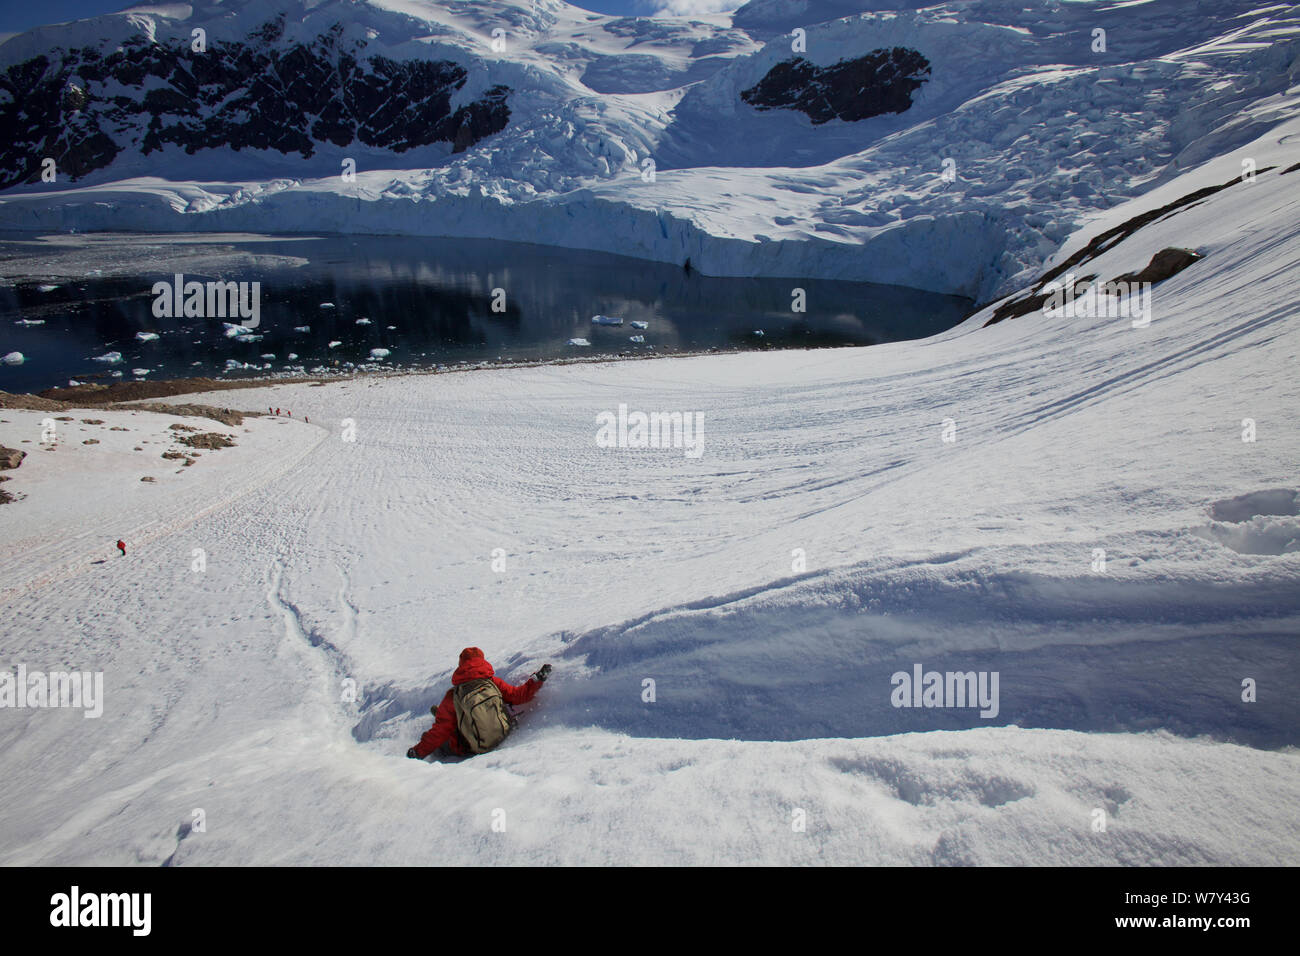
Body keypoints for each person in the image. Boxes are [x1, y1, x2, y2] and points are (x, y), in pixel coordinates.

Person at [407, 647, 551, 760]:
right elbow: (519, 696)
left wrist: (417, 752)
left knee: (440, 730)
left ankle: (440, 716)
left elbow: (439, 733)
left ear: (461, 666)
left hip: (470, 748)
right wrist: (536, 680)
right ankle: (442, 714)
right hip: (503, 733)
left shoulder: (454, 696)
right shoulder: (492, 683)